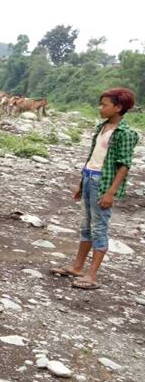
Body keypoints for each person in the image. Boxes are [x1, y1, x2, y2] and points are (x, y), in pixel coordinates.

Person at [51, 88, 139, 289]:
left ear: (118, 108)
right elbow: (93, 157)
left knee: (99, 228)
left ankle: (92, 276)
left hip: (102, 183)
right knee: (86, 226)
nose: (101, 108)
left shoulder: (125, 134)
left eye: (105, 105)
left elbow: (124, 165)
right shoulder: (102, 127)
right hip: (90, 178)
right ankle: (77, 267)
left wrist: (110, 192)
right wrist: (82, 185)